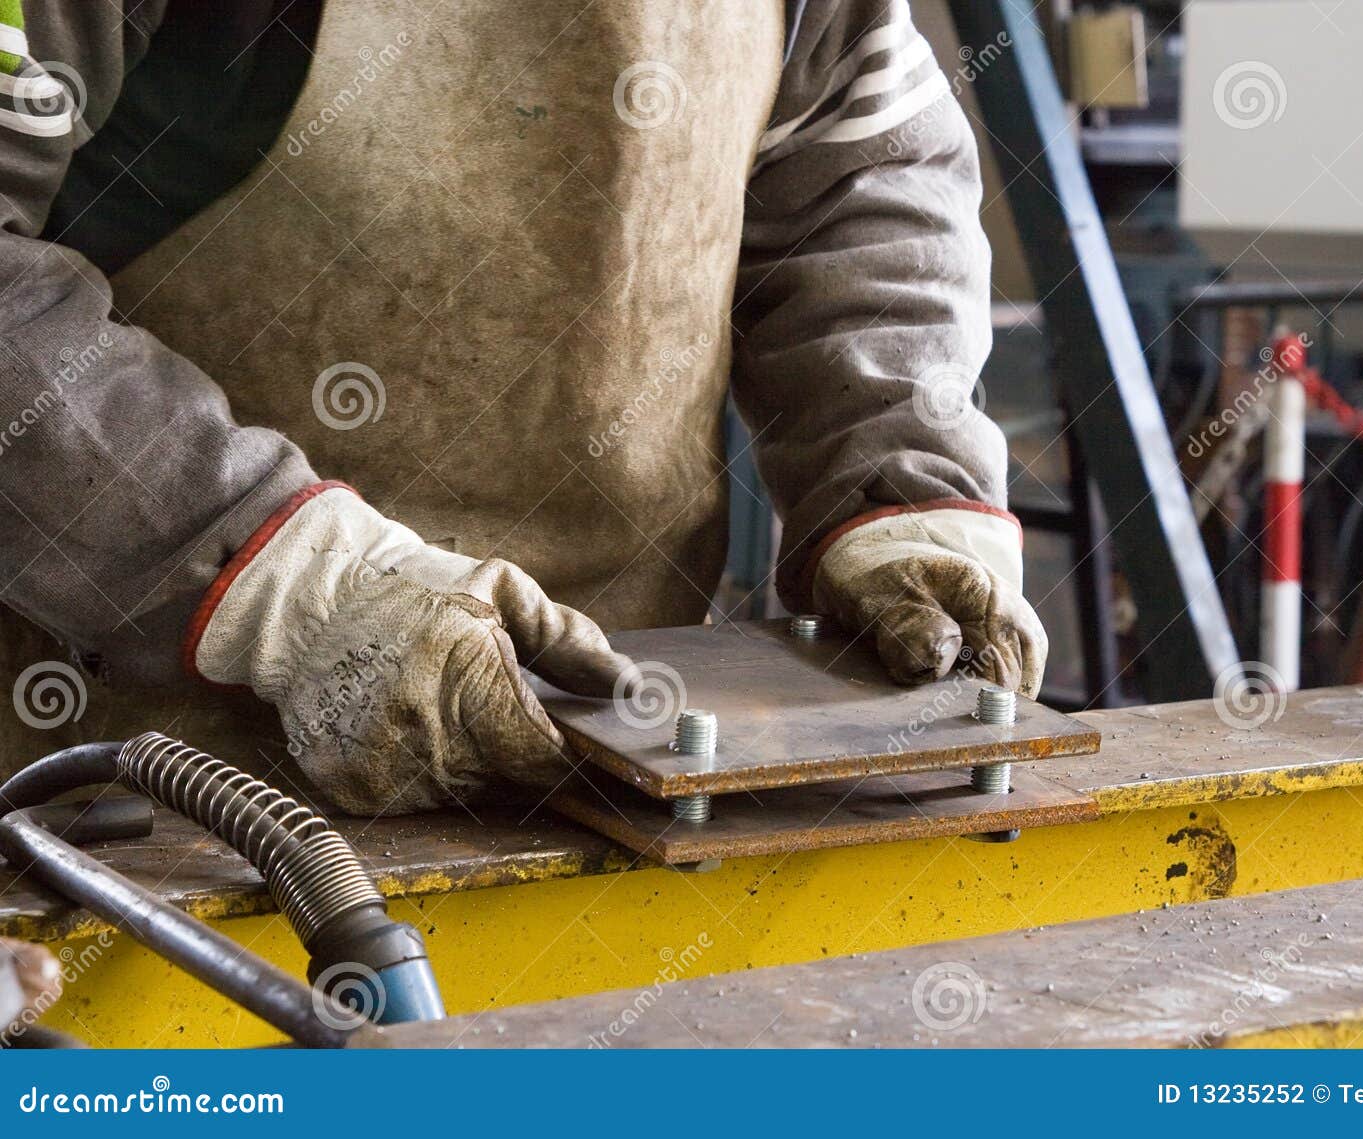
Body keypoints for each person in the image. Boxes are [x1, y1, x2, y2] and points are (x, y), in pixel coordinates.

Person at [0, 1, 1045, 814]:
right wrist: (291, 584)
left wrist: (902, 485)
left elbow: (856, 180)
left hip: (617, 766)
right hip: (136, 794)